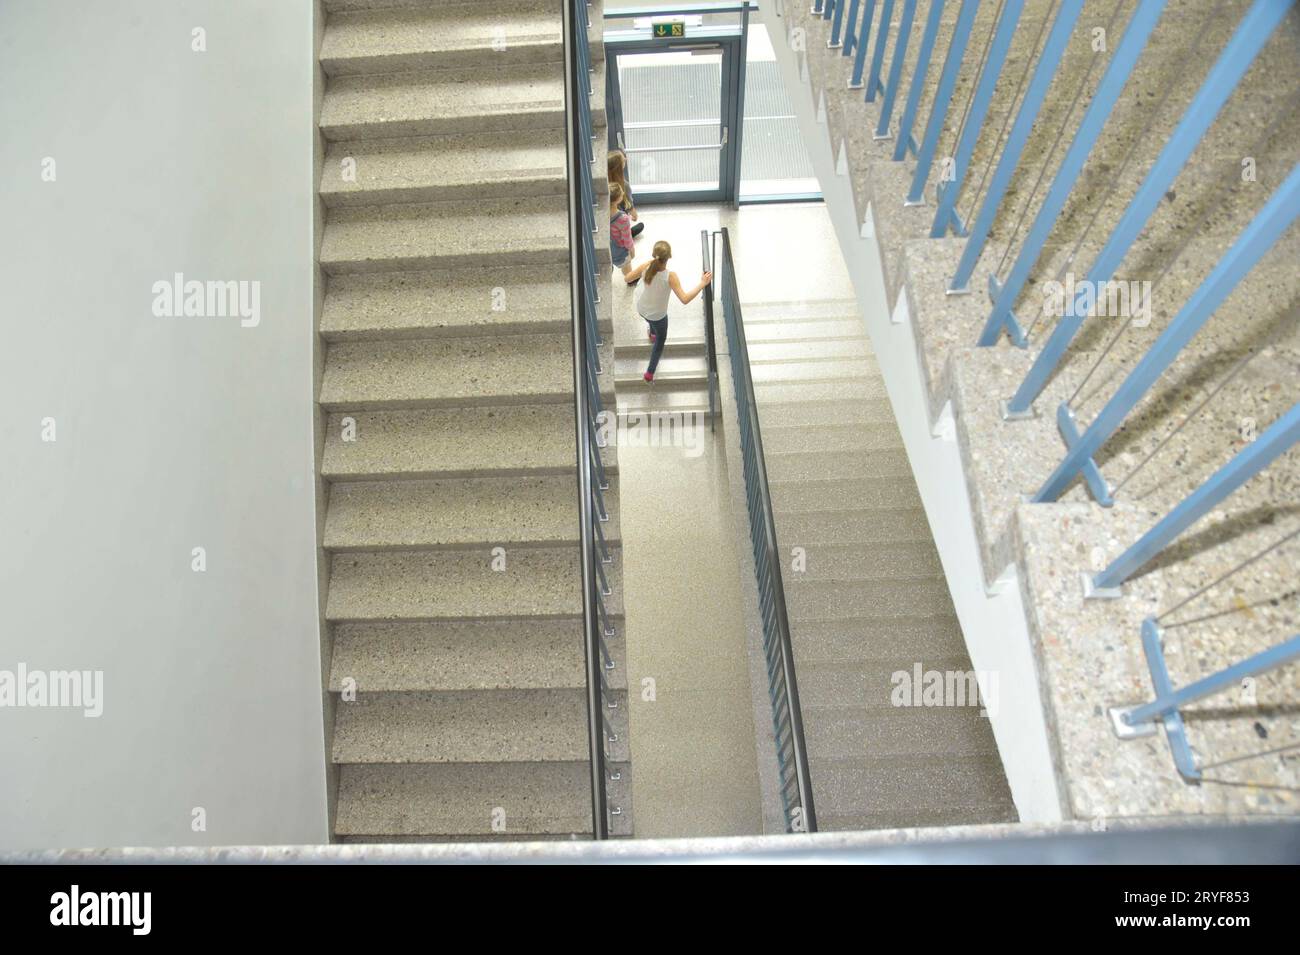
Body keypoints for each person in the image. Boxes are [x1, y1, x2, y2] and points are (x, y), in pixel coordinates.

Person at [630, 241, 712, 382]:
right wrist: (703, 283)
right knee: (660, 342)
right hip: (658, 317)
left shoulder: (646, 266)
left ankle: (652, 332)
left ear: (653, 254)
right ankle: (649, 373)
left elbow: (627, 278)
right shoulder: (670, 276)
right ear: (669, 257)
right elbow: (684, 299)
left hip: (642, 309)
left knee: (650, 320)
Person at [608, 149, 644, 238]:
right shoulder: (624, 186)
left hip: (609, 221)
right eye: (623, 159)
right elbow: (629, 205)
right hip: (619, 219)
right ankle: (627, 234)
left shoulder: (606, 185)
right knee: (639, 226)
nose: (626, 159)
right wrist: (634, 215)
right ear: (619, 167)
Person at [608, 183, 639, 286]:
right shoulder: (623, 218)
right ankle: (631, 280)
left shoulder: (602, 213)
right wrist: (632, 250)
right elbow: (627, 239)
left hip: (609, 246)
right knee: (627, 267)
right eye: (621, 193)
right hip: (620, 250)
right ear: (618, 199)